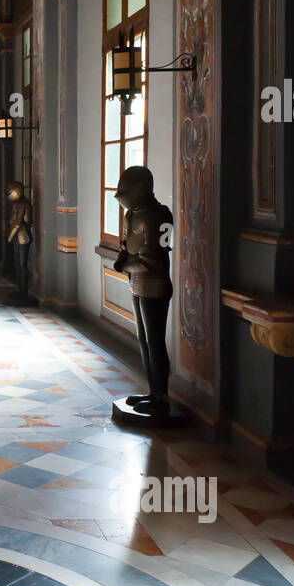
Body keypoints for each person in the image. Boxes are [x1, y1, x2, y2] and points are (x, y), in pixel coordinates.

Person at [113, 165, 173, 415]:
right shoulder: (132, 215)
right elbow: (128, 246)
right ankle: (153, 391)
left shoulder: (161, 216)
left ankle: (162, 397)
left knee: (156, 342)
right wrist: (125, 259)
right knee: (144, 341)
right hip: (136, 282)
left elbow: (155, 260)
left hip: (155, 284)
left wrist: (125, 263)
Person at [6, 182, 32, 300]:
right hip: (17, 235)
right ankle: (19, 290)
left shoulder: (23, 204)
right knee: (17, 264)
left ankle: (24, 292)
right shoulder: (16, 204)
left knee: (22, 264)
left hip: (22, 235)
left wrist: (10, 236)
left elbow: (19, 223)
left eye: (11, 193)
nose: (9, 195)